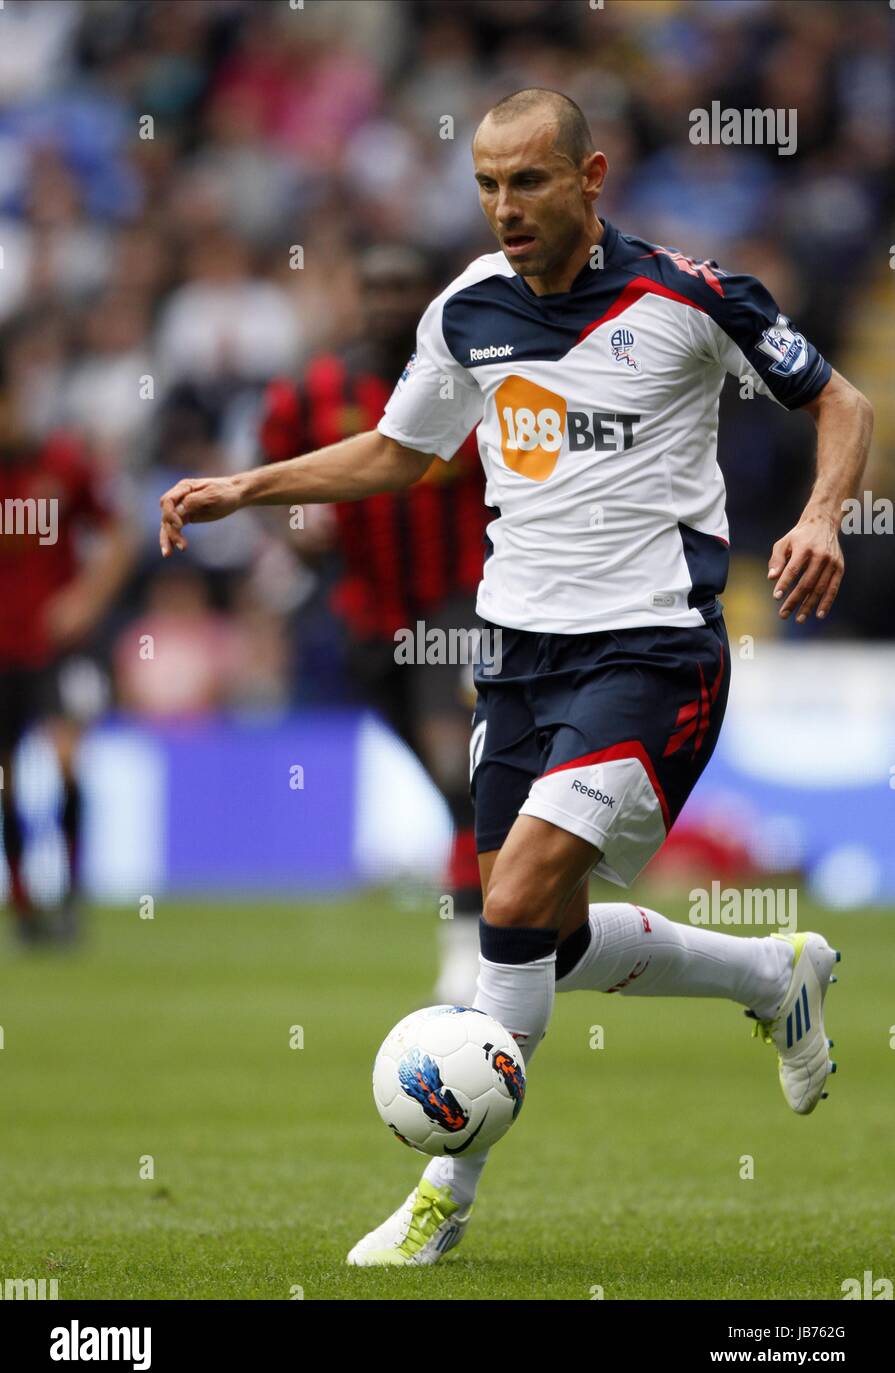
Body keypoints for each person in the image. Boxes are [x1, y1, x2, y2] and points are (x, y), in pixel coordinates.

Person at [159, 89, 873, 1266]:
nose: (505, 207)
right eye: (488, 185)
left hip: (654, 648)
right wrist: (248, 486)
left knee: (515, 900)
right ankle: (769, 972)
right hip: (517, 660)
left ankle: (445, 1194)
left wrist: (820, 519)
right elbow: (399, 451)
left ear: (590, 177)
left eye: (529, 181)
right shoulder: (467, 312)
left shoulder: (688, 296)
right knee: (539, 933)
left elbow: (838, 398)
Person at [258, 244, 489, 1002]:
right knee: (444, 779)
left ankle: (466, 942)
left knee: (455, 765)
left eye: (403, 286)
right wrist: (298, 523)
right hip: (367, 614)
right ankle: (498, 883)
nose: (389, 301)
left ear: (429, 298)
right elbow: (276, 479)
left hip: (459, 599)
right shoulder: (312, 392)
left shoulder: (473, 381)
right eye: (376, 286)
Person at [0, 333, 133, 944]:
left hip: (57, 646)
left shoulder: (63, 463)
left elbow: (118, 535)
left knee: (65, 760)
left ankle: (73, 897)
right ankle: (25, 907)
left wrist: (86, 599)